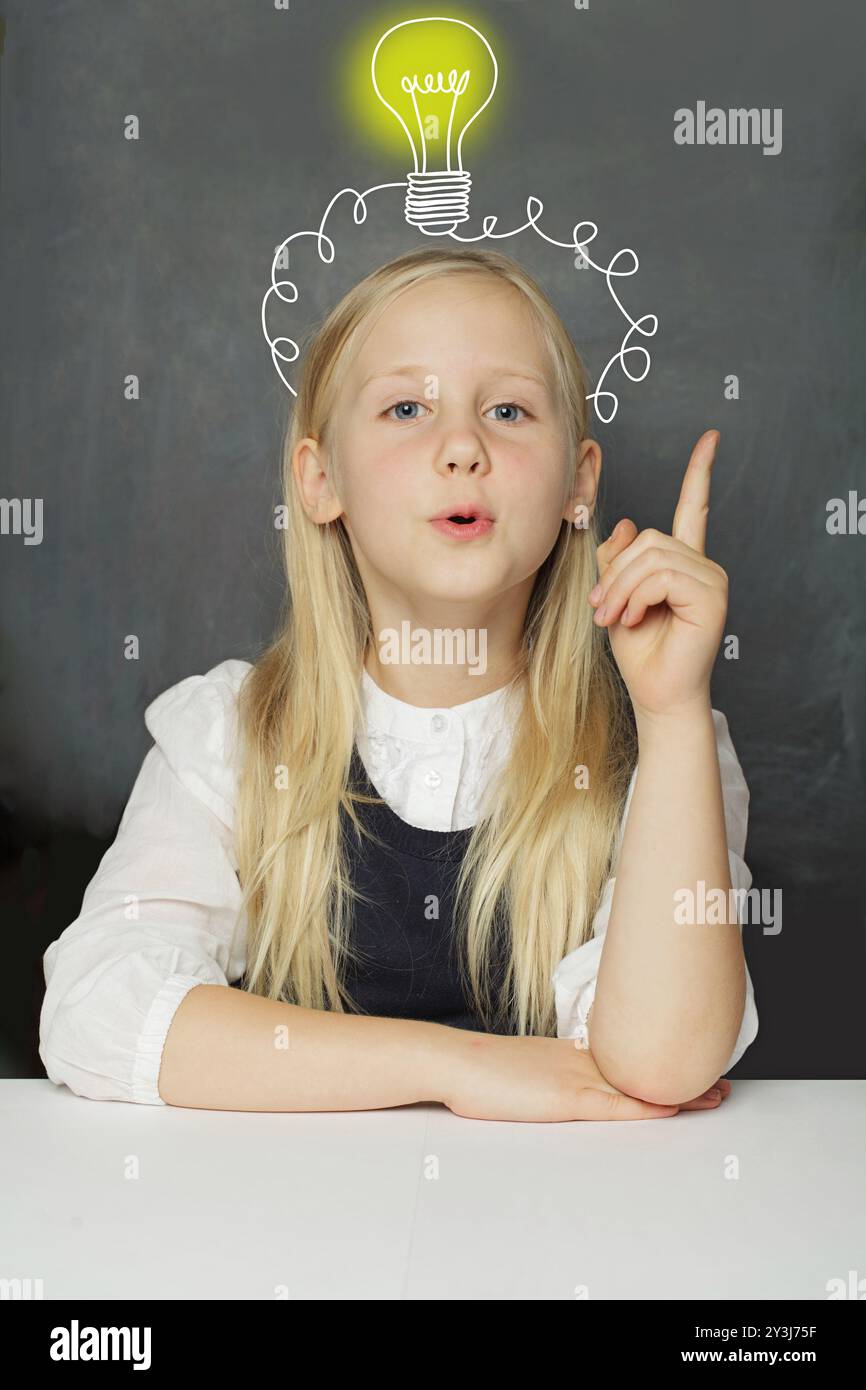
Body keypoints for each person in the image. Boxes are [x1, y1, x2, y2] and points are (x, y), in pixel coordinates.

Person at [39, 247, 758, 1121]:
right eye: (407, 408)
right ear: (320, 479)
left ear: (579, 483)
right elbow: (96, 1008)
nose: (462, 447)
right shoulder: (230, 732)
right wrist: (452, 1068)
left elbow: (667, 1063)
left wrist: (674, 712)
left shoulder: (664, 750)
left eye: (508, 409)